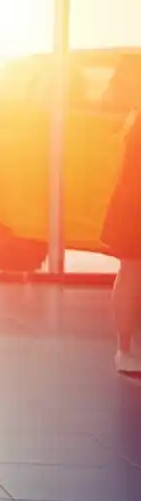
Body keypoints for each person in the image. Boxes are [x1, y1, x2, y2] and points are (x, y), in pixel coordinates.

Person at [101, 109, 141, 375]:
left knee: (130, 272)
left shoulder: (135, 119)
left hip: (130, 204)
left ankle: (125, 350)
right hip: (134, 206)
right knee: (132, 272)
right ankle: (125, 351)